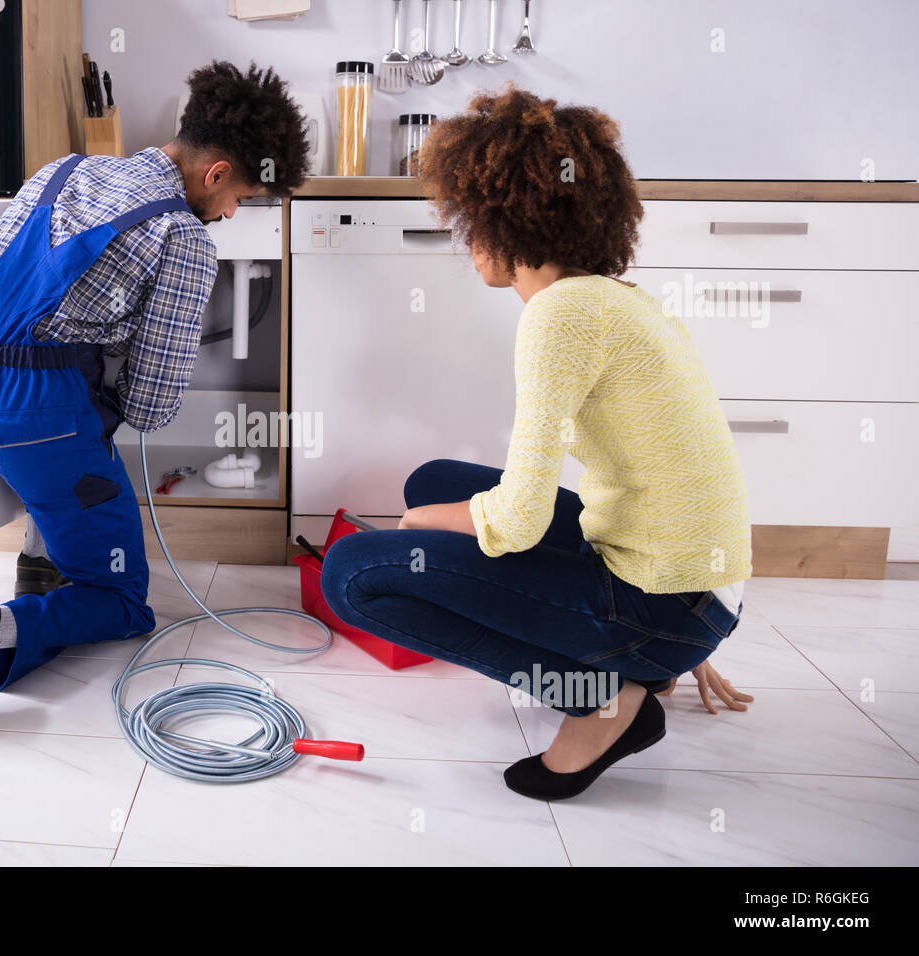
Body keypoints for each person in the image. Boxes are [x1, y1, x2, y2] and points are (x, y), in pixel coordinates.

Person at [320, 85, 755, 801]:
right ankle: (647, 661)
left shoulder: (558, 315)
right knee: (434, 479)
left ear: (499, 219)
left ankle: (603, 700)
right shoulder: (618, 297)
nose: (467, 242)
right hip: (696, 586)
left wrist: (421, 529)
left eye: (468, 220)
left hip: (667, 601)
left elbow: (517, 518)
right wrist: (697, 617)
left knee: (353, 573)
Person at [0, 61, 310, 722]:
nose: (233, 211)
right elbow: (152, 406)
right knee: (124, 597)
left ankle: (45, 571)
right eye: (239, 196)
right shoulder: (185, 238)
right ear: (215, 174)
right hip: (27, 420)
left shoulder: (63, 169)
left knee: (70, 456)